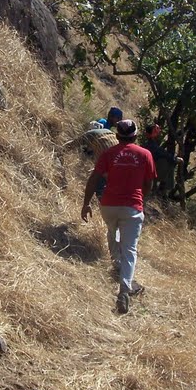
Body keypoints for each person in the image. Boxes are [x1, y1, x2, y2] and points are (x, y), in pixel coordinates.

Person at [80, 119, 157, 314]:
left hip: (108, 205)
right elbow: (149, 184)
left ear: (117, 136)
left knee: (112, 232)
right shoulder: (145, 154)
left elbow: (94, 178)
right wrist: (140, 196)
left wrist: (86, 203)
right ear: (136, 136)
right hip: (132, 207)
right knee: (130, 248)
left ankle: (117, 265)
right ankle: (124, 288)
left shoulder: (108, 154)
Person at [142, 123, 182, 198]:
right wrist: (175, 159)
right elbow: (164, 155)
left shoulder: (149, 144)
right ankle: (164, 189)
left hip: (148, 171)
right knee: (166, 162)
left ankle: (161, 190)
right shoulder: (151, 145)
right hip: (150, 172)